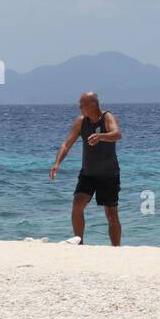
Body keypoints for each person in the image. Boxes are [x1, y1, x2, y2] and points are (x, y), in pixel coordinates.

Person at [48, 91, 122, 245]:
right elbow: (66, 144)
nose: (79, 107)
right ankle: (79, 244)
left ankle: (116, 249)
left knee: (111, 214)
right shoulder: (81, 121)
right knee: (77, 206)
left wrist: (101, 136)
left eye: (82, 105)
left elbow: (117, 134)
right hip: (88, 174)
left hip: (109, 175)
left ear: (93, 104)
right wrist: (57, 163)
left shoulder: (107, 117)